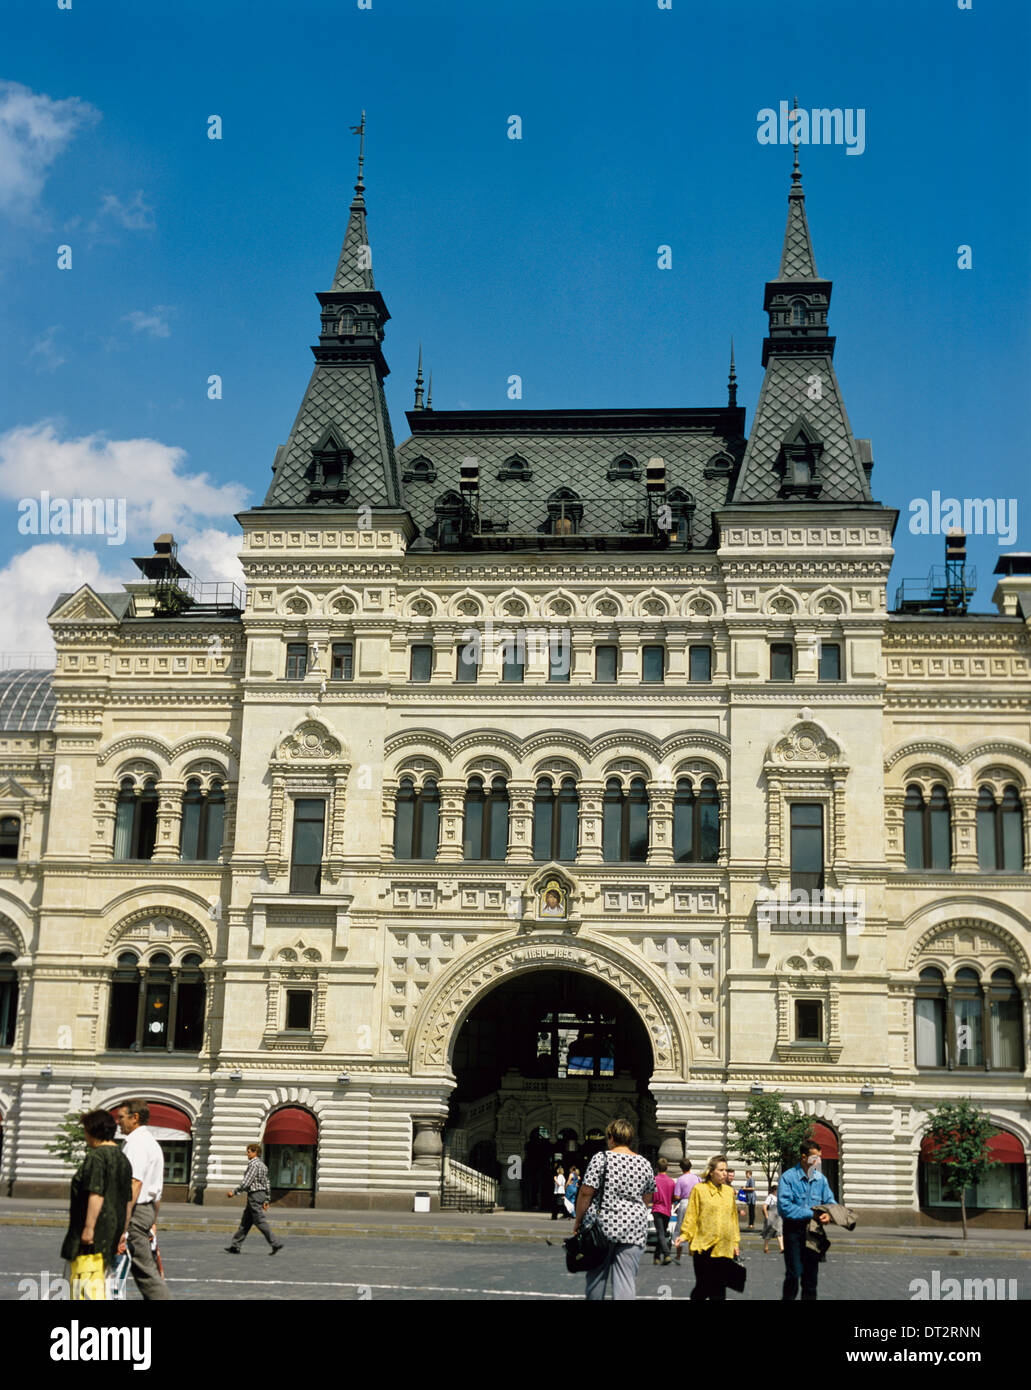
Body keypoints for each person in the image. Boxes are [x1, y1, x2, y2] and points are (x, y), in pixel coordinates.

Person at [572, 1117, 655, 1300]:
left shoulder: (601, 1158)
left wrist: (578, 1220)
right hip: (633, 1228)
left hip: (602, 1227)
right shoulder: (644, 1163)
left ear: (610, 1137)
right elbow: (648, 1196)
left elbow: (586, 1192)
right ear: (630, 1139)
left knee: (596, 1278)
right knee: (626, 1280)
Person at [60, 1110, 133, 1299]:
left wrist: (88, 1228)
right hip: (112, 1230)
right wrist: (122, 1232)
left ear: (92, 1131)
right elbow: (127, 1199)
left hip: (94, 1233)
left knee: (85, 1286)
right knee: (99, 1281)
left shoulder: (97, 1157)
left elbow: (96, 1193)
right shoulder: (122, 1158)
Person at [115, 1099, 172, 1300]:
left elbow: (134, 1184)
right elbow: (158, 1191)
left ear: (135, 1117)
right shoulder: (151, 1142)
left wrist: (122, 1226)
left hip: (135, 1212)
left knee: (146, 1272)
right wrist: (153, 1221)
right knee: (145, 1269)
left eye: (121, 1117)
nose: (118, 1122)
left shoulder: (135, 1144)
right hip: (146, 1211)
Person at [676, 1154, 740, 1301]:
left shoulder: (729, 1192)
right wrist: (684, 1235)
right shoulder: (699, 1190)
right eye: (721, 1170)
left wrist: (735, 1242)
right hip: (703, 1246)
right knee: (703, 1287)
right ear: (711, 1172)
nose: (725, 1173)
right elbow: (692, 1215)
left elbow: (733, 1219)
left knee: (719, 1290)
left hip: (724, 1247)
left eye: (726, 1170)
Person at [778, 1139, 836, 1300]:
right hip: (793, 1232)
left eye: (820, 1157)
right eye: (815, 1157)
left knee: (811, 1279)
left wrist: (829, 1214)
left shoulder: (821, 1179)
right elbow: (785, 1208)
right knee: (794, 1274)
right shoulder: (788, 1178)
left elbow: (831, 1202)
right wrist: (812, 1214)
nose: (819, 1161)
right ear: (804, 1158)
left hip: (814, 1232)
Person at [225, 1143, 284, 1255]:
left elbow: (247, 1182)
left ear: (255, 1152)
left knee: (260, 1221)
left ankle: (275, 1243)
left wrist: (234, 1192)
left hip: (254, 1195)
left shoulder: (253, 1165)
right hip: (260, 1194)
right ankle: (235, 1246)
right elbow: (267, 1183)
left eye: (249, 1151)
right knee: (245, 1222)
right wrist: (267, 1199)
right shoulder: (263, 1165)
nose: (247, 1153)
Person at [671, 1160, 699, 1265]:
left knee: (681, 1228)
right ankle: (693, 1253)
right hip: (695, 1202)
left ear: (681, 1168)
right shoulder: (697, 1178)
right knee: (694, 1227)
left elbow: (677, 1196)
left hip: (684, 1202)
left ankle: (678, 1255)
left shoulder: (680, 1179)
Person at [650, 1157, 675, 1265]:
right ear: (667, 1167)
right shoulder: (671, 1182)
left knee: (660, 1233)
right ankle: (656, 1257)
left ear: (657, 1168)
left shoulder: (654, 1180)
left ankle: (666, 1254)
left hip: (657, 1208)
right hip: (667, 1209)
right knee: (662, 1233)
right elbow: (674, 1197)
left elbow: (651, 1195)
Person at [762, 1179, 783, 1255]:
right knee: (769, 1232)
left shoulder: (779, 1198)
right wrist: (767, 1216)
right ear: (774, 1191)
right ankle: (766, 1247)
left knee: (779, 1232)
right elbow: (764, 1206)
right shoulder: (770, 1197)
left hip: (778, 1216)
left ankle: (782, 1248)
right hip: (771, 1216)